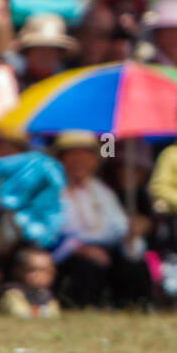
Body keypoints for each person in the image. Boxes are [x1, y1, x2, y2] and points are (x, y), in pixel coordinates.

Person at [50, 131, 149, 308]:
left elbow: (119, 227)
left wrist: (131, 233)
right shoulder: (53, 190)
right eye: (73, 154)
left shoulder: (103, 191)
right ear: (62, 159)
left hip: (107, 251)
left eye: (86, 154)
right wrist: (79, 248)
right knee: (87, 268)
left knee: (134, 266)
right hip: (70, 255)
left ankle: (133, 308)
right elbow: (49, 232)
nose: (79, 160)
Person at [13, 13, 76, 90]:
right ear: (28, 51)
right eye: (41, 48)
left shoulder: (67, 86)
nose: (46, 55)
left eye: (52, 49)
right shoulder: (11, 83)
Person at [0, 244, 60, 318]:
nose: (39, 275)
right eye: (33, 270)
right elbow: (19, 312)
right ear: (18, 271)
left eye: (46, 271)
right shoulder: (13, 294)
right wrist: (43, 312)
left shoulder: (45, 295)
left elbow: (54, 313)